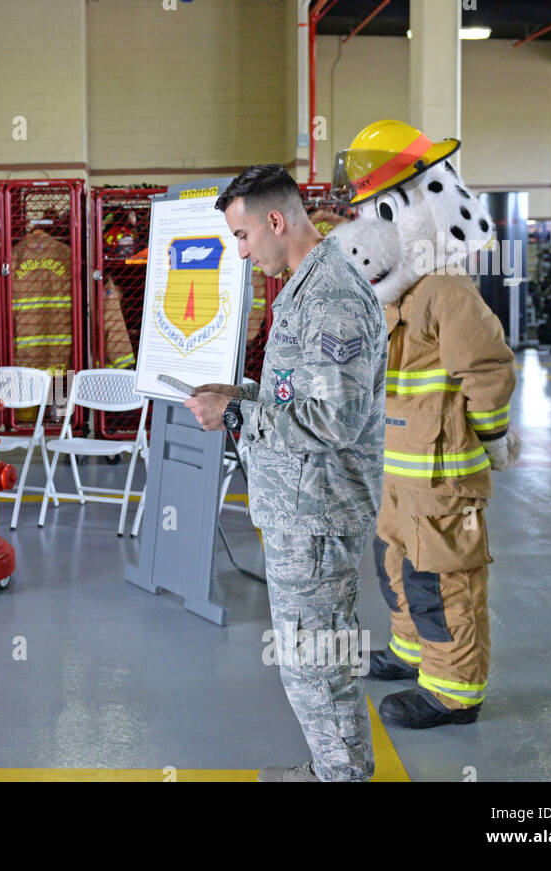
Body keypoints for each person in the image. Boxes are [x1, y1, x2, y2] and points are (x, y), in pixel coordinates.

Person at [184, 165, 387, 782]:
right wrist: (239, 394)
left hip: (318, 515)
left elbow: (338, 418)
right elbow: (295, 394)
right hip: (301, 509)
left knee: (318, 668)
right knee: (313, 662)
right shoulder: (306, 286)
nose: (241, 253)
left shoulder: (331, 297)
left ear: (277, 221)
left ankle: (343, 777)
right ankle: (335, 769)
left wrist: (239, 410)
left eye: (243, 237)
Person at [332, 119, 519, 729]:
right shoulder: (398, 295)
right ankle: (414, 654)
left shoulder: (445, 290)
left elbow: (486, 368)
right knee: (401, 570)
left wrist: (492, 436)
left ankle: (454, 692)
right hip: (399, 471)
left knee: (445, 583)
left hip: (442, 478)